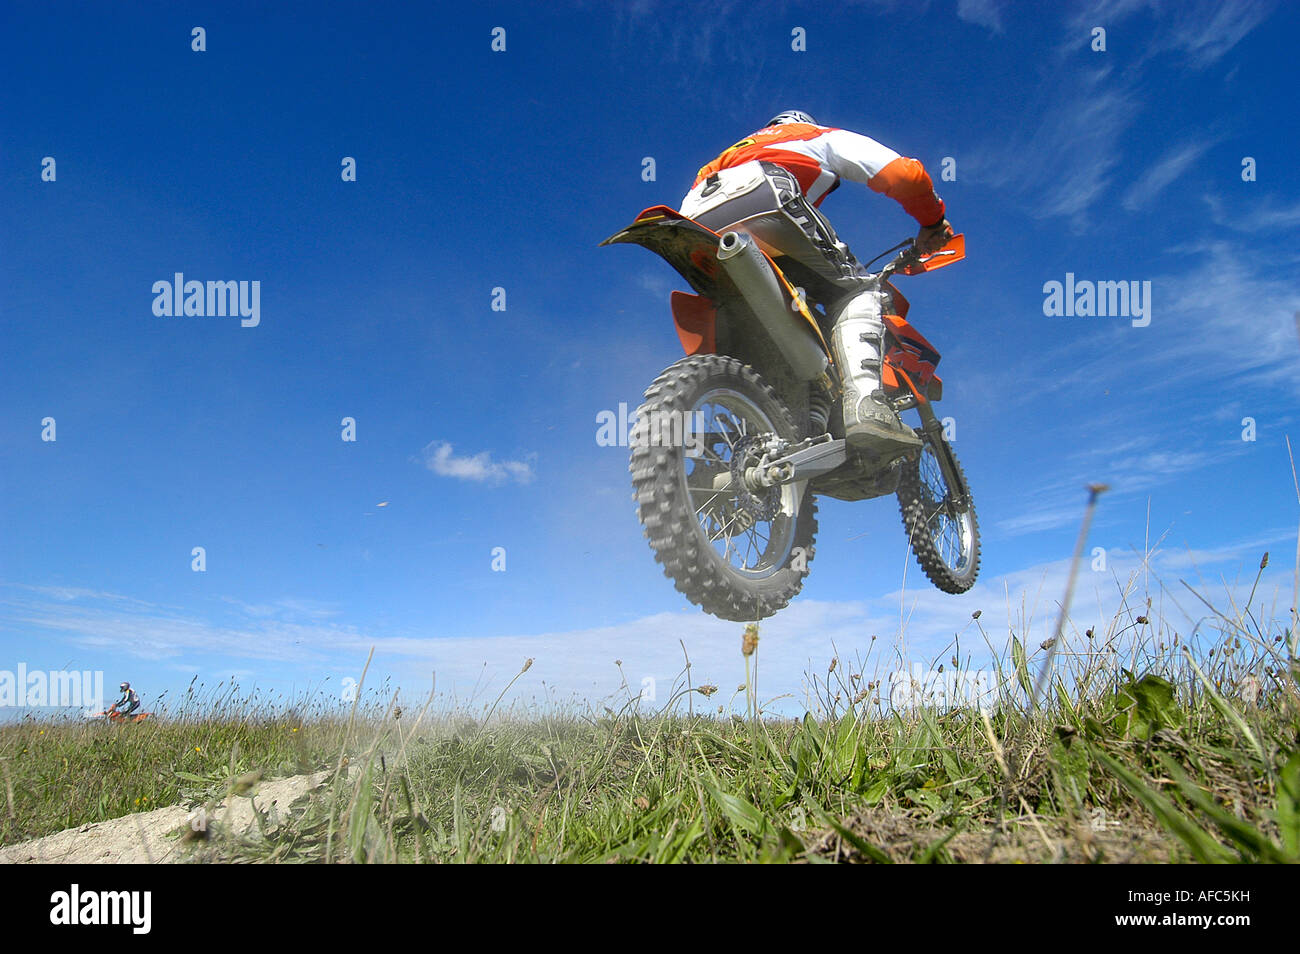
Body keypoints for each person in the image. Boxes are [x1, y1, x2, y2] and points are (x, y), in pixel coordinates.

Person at [679, 110, 954, 460]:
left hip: (698, 228)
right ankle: (866, 404)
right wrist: (932, 219)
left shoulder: (722, 158)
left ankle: (773, 425)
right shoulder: (811, 135)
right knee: (857, 290)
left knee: (791, 309)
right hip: (762, 200)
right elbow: (902, 173)